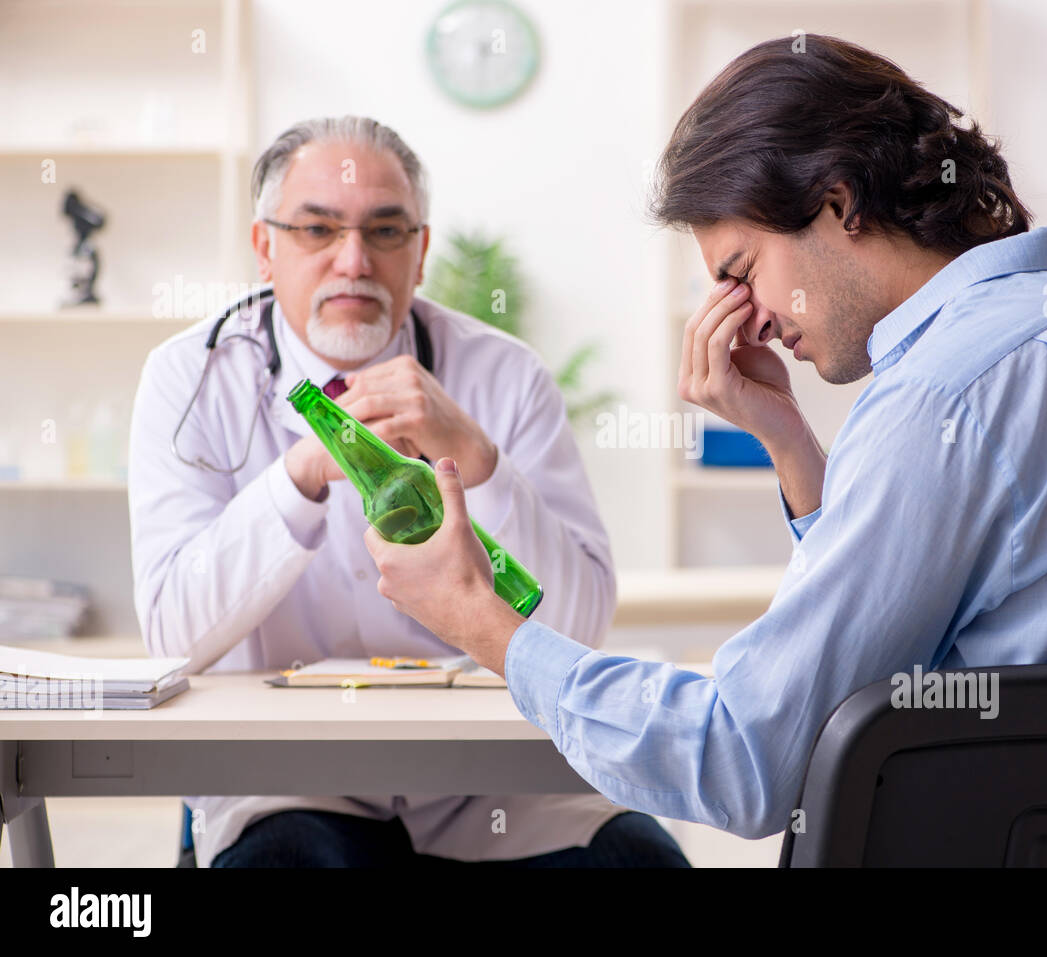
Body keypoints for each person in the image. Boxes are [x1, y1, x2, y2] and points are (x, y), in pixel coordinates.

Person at [363, 36, 1047, 840]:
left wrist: (483, 622)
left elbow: (741, 758)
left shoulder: (944, 393)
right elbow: (966, 590)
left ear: (839, 203)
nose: (738, 321)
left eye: (740, 270)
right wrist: (790, 443)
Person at [128, 115, 688, 867]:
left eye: (385, 232)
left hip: (495, 787)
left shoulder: (503, 374)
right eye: (318, 229)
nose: (352, 261)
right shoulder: (189, 380)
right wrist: (301, 476)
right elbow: (172, 633)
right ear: (266, 248)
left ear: (420, 253)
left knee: (639, 862)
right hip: (293, 783)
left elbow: (581, 627)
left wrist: (477, 460)